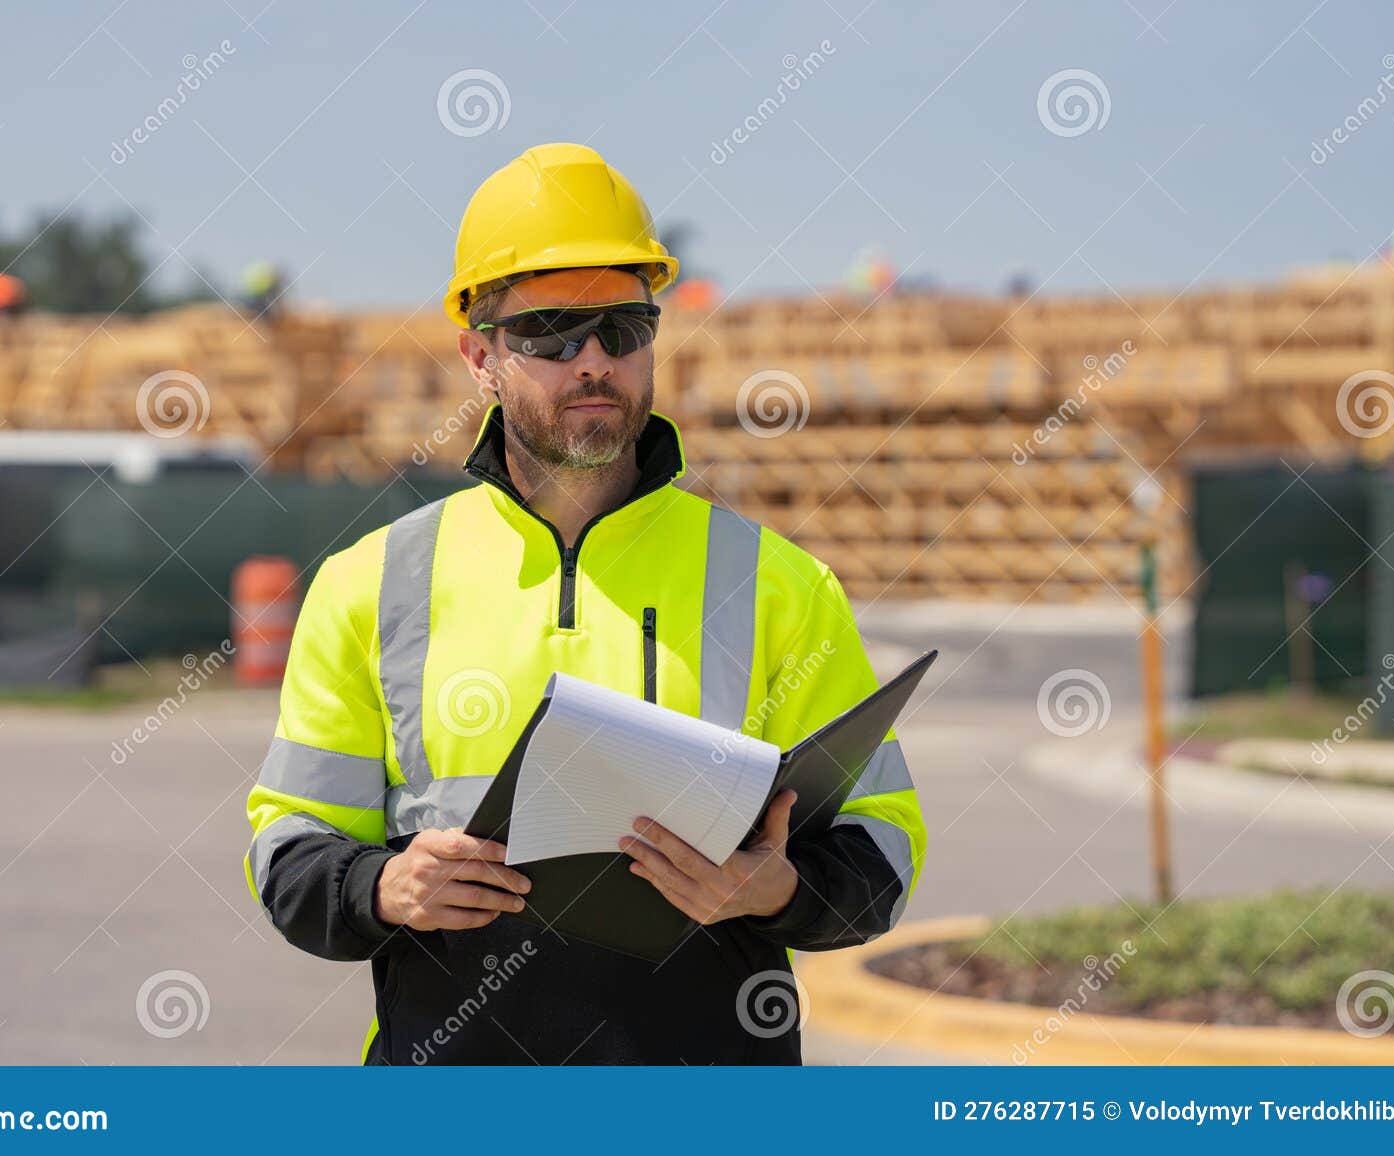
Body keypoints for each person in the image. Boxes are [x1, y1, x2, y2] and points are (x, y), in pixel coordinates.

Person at [244, 142, 926, 1064]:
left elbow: (881, 847)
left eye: (622, 327)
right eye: (552, 334)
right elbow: (291, 847)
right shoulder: (375, 582)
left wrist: (772, 892)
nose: (593, 361)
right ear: (479, 356)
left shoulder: (778, 585)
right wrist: (385, 888)